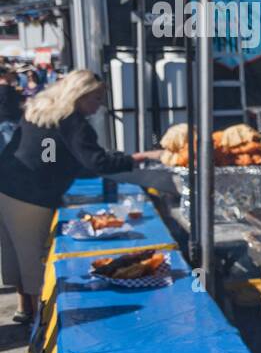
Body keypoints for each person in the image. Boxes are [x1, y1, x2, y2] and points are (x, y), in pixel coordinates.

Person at [0, 71, 162, 323]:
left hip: (7, 186)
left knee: (15, 254)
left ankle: (24, 309)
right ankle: (40, 324)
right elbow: (97, 162)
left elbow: (48, 154)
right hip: (31, 197)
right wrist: (142, 157)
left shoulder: (41, 108)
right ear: (80, 94)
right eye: (96, 99)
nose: (99, 107)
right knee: (33, 258)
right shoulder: (71, 121)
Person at [0, 70, 22, 149]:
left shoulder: (9, 90)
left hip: (6, 120)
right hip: (9, 121)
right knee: (8, 148)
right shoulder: (8, 90)